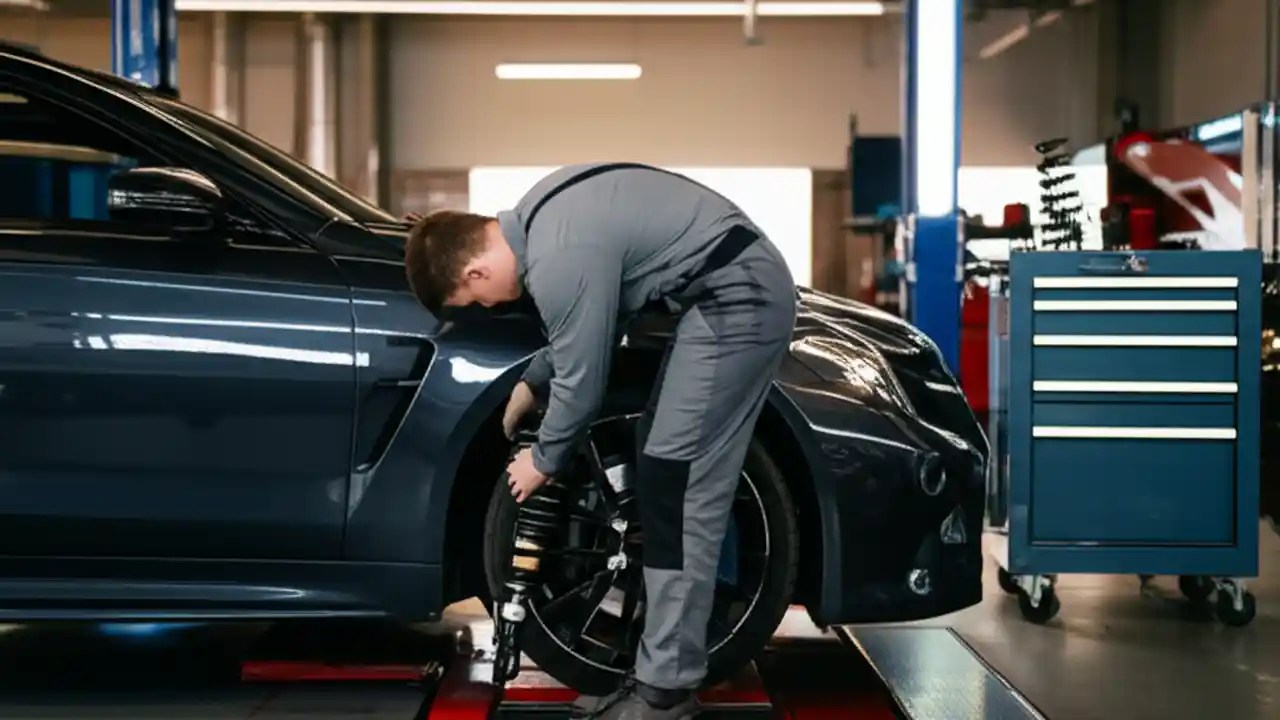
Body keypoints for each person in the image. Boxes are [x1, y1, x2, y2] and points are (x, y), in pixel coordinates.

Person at [402, 163, 797, 720]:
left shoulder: (557, 256)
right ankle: (655, 675)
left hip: (739, 298)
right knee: (660, 461)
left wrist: (542, 460)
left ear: (473, 271)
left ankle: (665, 693)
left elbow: (584, 386)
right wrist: (534, 380)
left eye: (477, 301)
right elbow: (592, 324)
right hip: (719, 296)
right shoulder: (544, 218)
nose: (490, 307)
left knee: (676, 483)